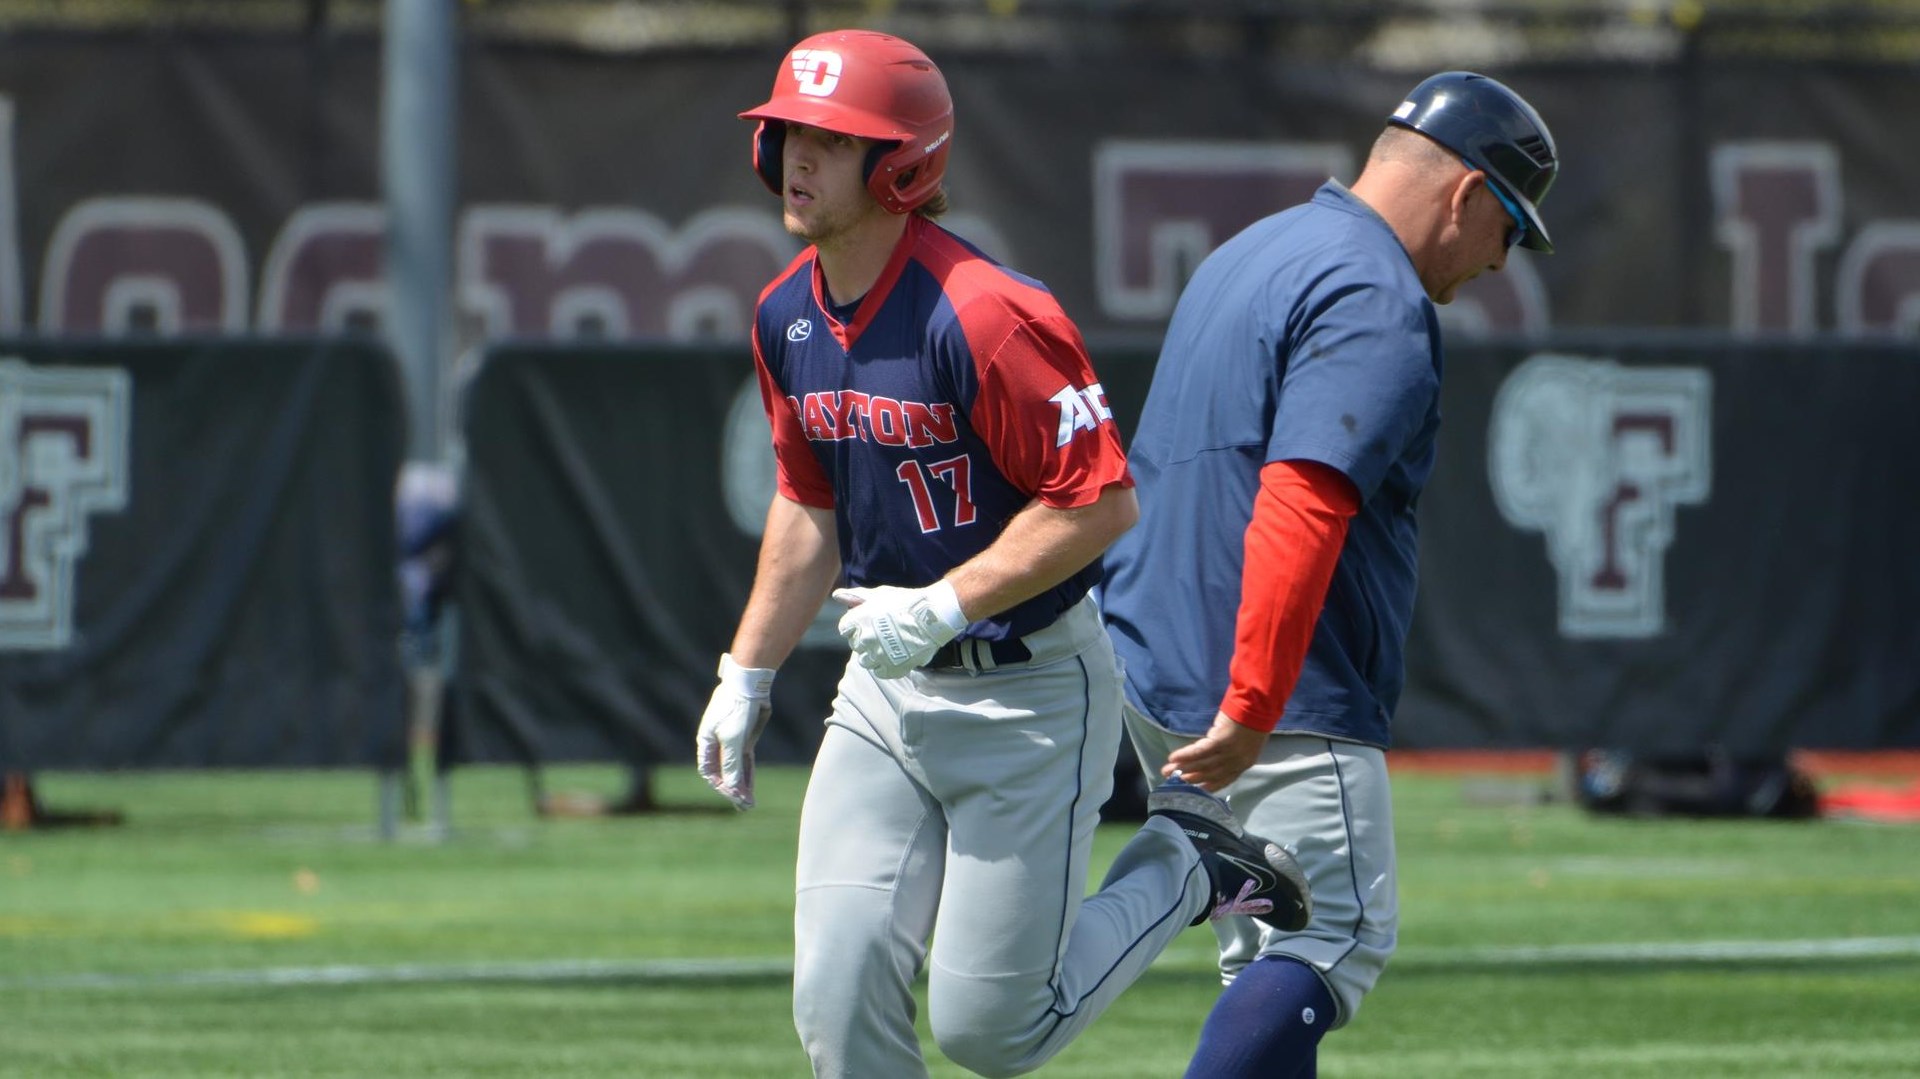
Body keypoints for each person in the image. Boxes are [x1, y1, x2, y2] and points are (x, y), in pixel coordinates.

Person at [693, 29, 1309, 1079]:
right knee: (836, 1003)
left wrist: (943, 601)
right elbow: (807, 504)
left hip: (1027, 695)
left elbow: (1104, 502)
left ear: (902, 163)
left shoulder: (985, 313)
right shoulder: (786, 310)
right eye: (789, 130)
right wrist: (745, 670)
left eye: (831, 139)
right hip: (884, 697)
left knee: (991, 1030)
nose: (797, 155)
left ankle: (1188, 861)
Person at [1099, 71, 1559, 1077]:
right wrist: (1257, 697)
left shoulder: (1255, 249)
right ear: (1467, 194)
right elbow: (1302, 500)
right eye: (1509, 228)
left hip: (1155, 654)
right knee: (1331, 940)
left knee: (1260, 949)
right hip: (1271, 689)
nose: (1499, 261)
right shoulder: (1376, 294)